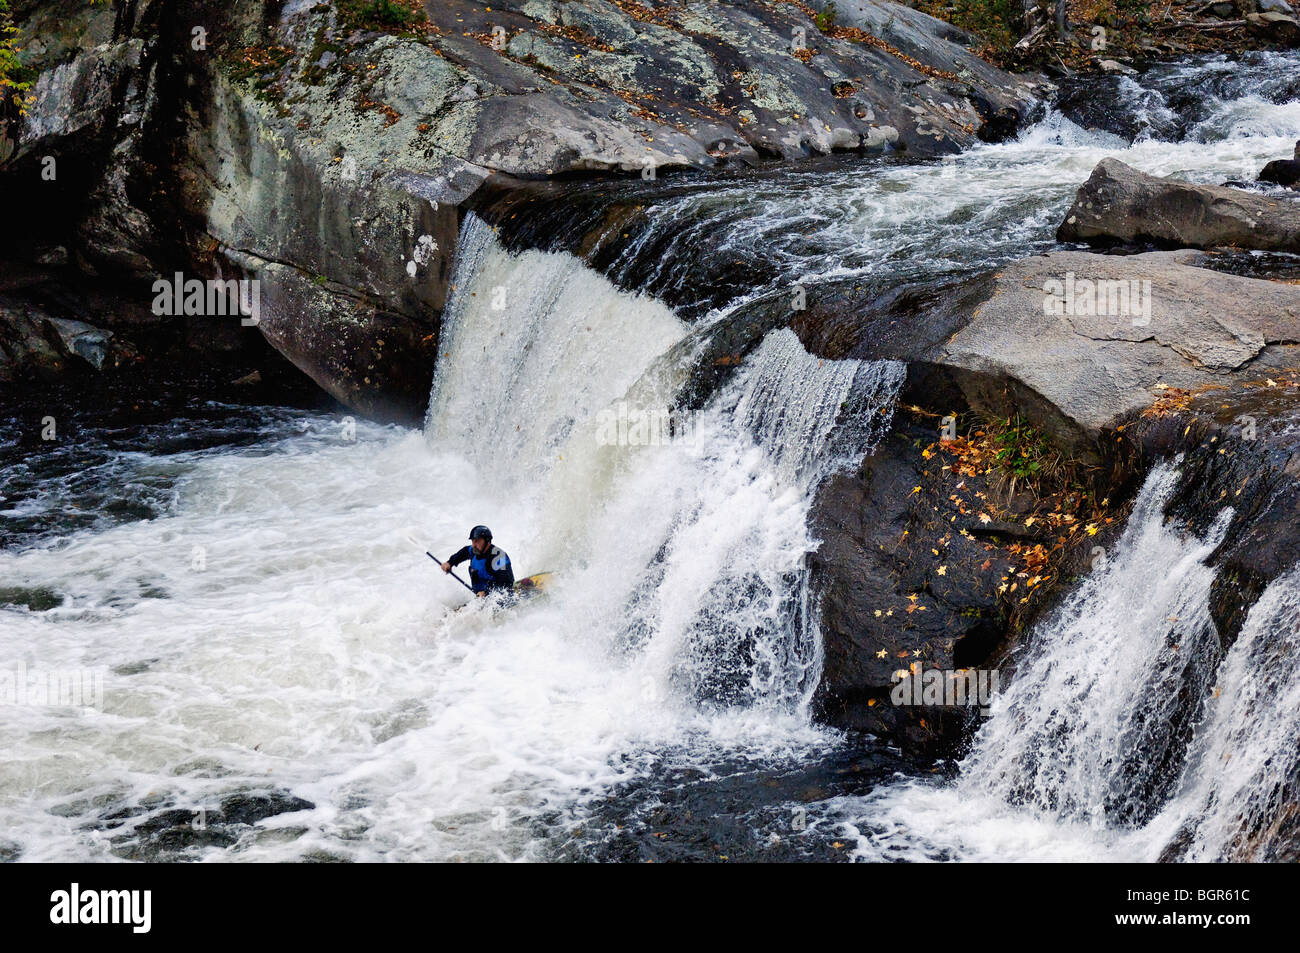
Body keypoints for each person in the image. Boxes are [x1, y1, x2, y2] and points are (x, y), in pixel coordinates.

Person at [442, 525, 514, 597]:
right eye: (472, 541)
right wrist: (450, 563)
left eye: (477, 541)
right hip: (480, 597)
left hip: (500, 598)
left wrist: (486, 592)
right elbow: (463, 552)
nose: (473, 545)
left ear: (487, 541)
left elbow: (506, 583)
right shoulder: (475, 551)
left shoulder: (499, 557)